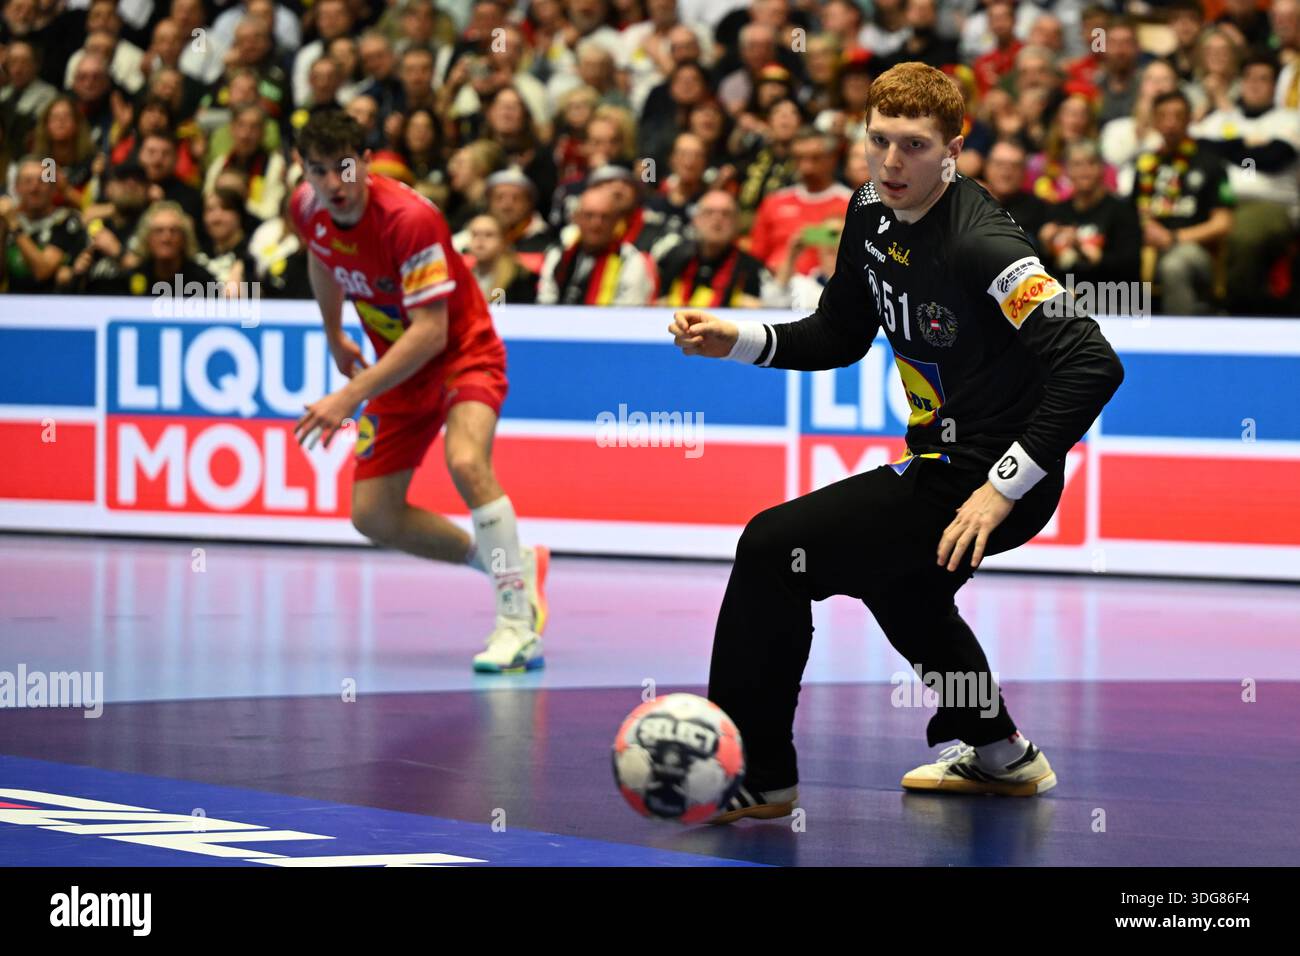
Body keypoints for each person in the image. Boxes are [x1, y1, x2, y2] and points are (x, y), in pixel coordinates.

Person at [668, 62, 1124, 821]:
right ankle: (1001, 754)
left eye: (912, 146)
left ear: (954, 147)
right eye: (877, 140)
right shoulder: (869, 211)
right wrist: (739, 339)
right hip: (942, 461)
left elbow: (1091, 362)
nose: (889, 163)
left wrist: (1001, 486)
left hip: (993, 478)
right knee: (901, 583)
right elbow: (841, 332)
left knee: (774, 549)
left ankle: (758, 774)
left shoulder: (984, 245)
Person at [289, 110, 550, 673]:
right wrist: (334, 331)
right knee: (373, 516)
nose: (334, 184)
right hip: (400, 367)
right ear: (301, 170)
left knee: (466, 462)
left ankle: (515, 624)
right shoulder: (307, 208)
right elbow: (322, 256)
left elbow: (431, 332)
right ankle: (509, 562)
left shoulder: (409, 219)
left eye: (344, 168)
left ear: (365, 160)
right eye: (318, 171)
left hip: (462, 353)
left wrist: (347, 396)